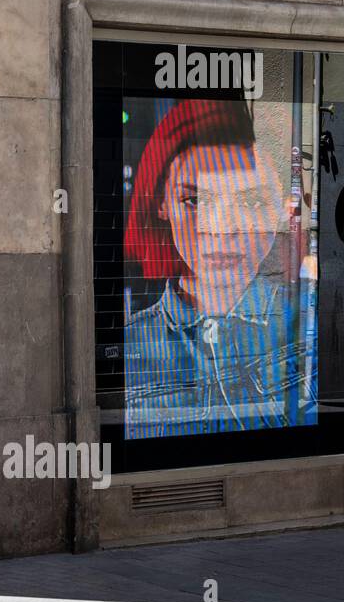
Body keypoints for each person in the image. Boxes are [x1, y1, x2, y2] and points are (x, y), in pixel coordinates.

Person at [122, 100, 317, 438]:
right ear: (161, 203)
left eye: (252, 201)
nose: (222, 228)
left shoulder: (309, 325)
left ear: (282, 209)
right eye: (195, 201)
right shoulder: (129, 345)